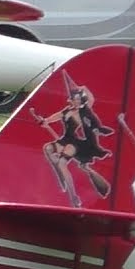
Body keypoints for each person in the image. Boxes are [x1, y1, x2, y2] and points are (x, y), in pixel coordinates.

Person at [36, 79, 114, 207]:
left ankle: (73, 197)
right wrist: (45, 121)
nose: (76, 101)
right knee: (48, 148)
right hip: (65, 139)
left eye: (79, 99)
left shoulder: (83, 111)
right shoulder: (67, 111)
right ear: (71, 100)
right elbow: (54, 117)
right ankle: (60, 175)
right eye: (74, 99)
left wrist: (83, 87)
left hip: (75, 143)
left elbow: (91, 99)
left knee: (62, 162)